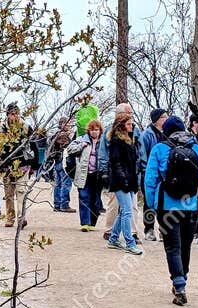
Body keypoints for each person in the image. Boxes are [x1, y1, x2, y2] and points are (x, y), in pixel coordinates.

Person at [144, 114, 198, 305]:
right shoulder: (196, 149)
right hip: (191, 206)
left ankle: (179, 285)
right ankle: (183, 279)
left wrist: (152, 204)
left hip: (167, 205)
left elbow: (150, 180)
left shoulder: (159, 149)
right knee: (185, 244)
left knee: (172, 246)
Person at [105, 109, 144, 256]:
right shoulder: (116, 141)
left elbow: (133, 161)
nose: (131, 126)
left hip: (129, 180)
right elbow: (116, 163)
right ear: (121, 125)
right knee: (127, 211)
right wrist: (124, 180)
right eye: (128, 124)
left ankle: (114, 239)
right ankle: (129, 243)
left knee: (123, 212)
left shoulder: (129, 139)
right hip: (121, 181)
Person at [70, 118, 106, 231]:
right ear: (88, 131)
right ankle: (85, 223)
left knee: (95, 199)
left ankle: (92, 223)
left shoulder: (104, 142)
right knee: (84, 197)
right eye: (92, 130)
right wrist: (81, 146)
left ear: (100, 130)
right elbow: (70, 149)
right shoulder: (81, 139)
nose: (94, 132)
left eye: (96, 129)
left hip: (97, 175)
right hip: (84, 174)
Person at [138, 108, 168, 240]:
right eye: (163, 117)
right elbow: (143, 156)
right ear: (156, 120)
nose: (166, 119)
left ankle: (163, 229)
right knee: (149, 203)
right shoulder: (147, 135)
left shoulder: (167, 133)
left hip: (163, 176)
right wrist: (146, 173)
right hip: (149, 175)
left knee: (163, 203)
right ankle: (149, 229)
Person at [49, 116, 75, 212]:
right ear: (62, 124)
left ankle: (57, 204)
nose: (69, 125)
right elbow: (68, 147)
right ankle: (64, 204)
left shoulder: (55, 134)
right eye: (67, 123)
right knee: (66, 182)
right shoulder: (62, 135)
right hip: (63, 161)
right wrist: (70, 136)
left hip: (57, 161)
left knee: (58, 183)